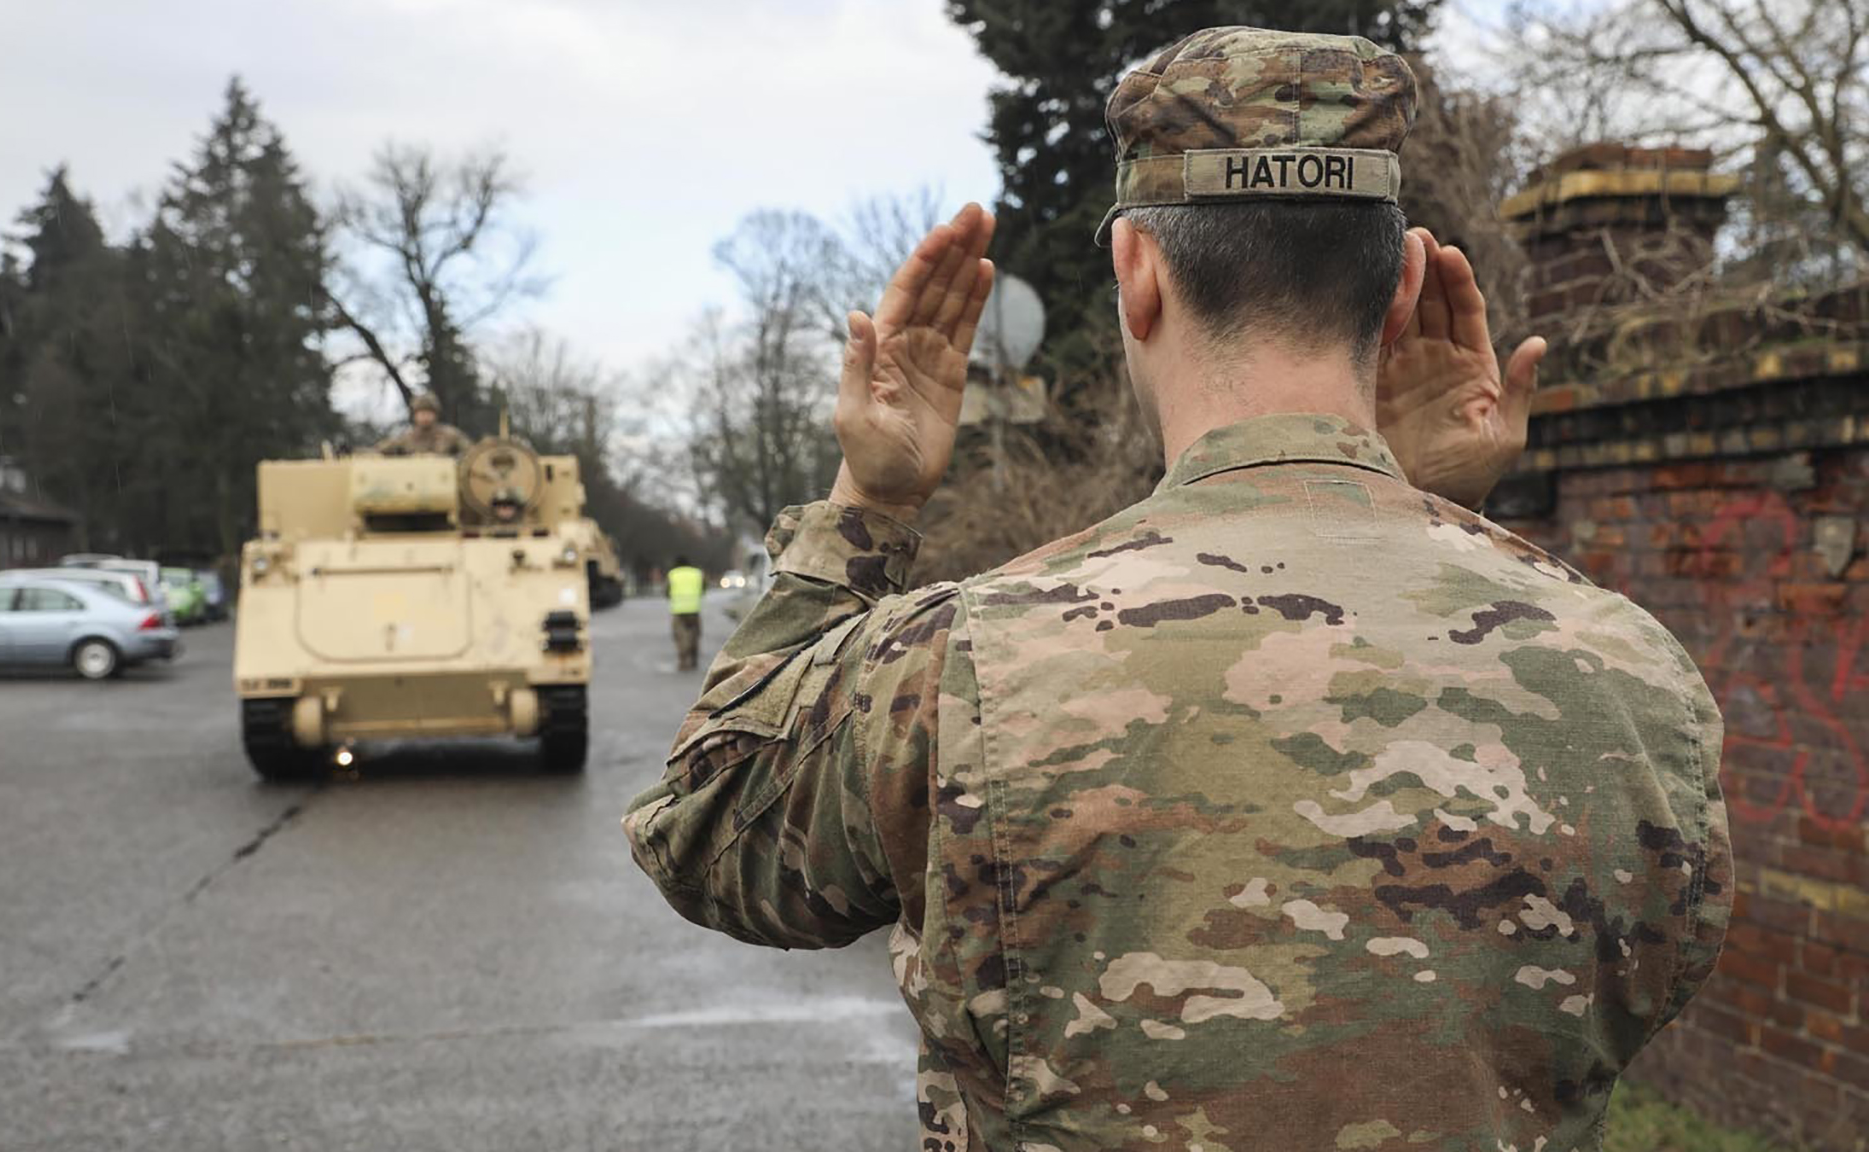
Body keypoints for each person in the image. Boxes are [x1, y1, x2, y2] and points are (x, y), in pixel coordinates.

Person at [623, 26, 1730, 1152]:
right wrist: (1445, 527)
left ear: (1136, 274)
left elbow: (706, 832)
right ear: (1398, 290)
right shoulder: (1633, 678)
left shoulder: (963, 662)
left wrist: (866, 505)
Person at [374, 392, 471, 456]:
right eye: (421, 413)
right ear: (414, 416)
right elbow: (379, 451)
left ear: (436, 414)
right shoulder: (406, 438)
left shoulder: (450, 435)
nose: (425, 417)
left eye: (429, 413)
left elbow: (471, 453)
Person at [665, 555, 705, 671]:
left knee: (680, 636)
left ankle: (683, 661)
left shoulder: (672, 574)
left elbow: (667, 591)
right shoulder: (697, 573)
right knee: (694, 634)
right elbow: (703, 589)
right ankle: (693, 659)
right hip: (694, 609)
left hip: (678, 611)